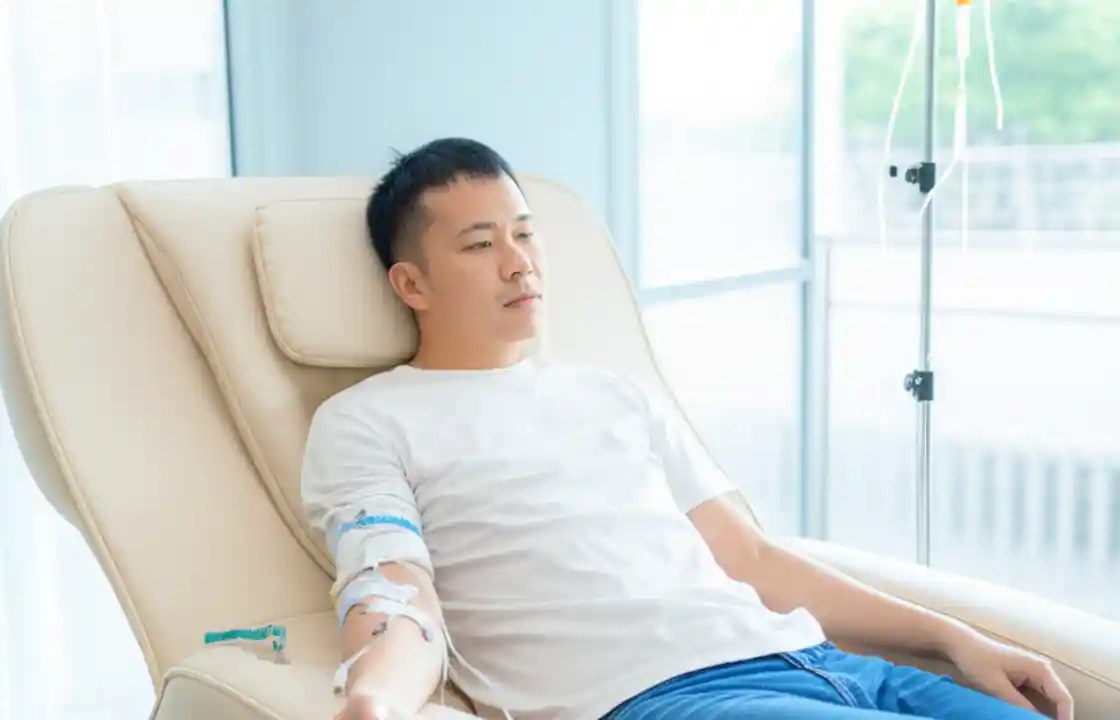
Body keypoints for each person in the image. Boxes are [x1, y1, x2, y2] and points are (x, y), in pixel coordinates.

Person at [300, 137, 1072, 720]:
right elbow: (395, 597)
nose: (519, 263)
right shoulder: (368, 420)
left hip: (818, 663)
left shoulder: (611, 393)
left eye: (525, 234)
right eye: (479, 245)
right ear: (412, 283)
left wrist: (954, 641)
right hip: (664, 700)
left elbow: (752, 558)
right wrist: (374, 697)